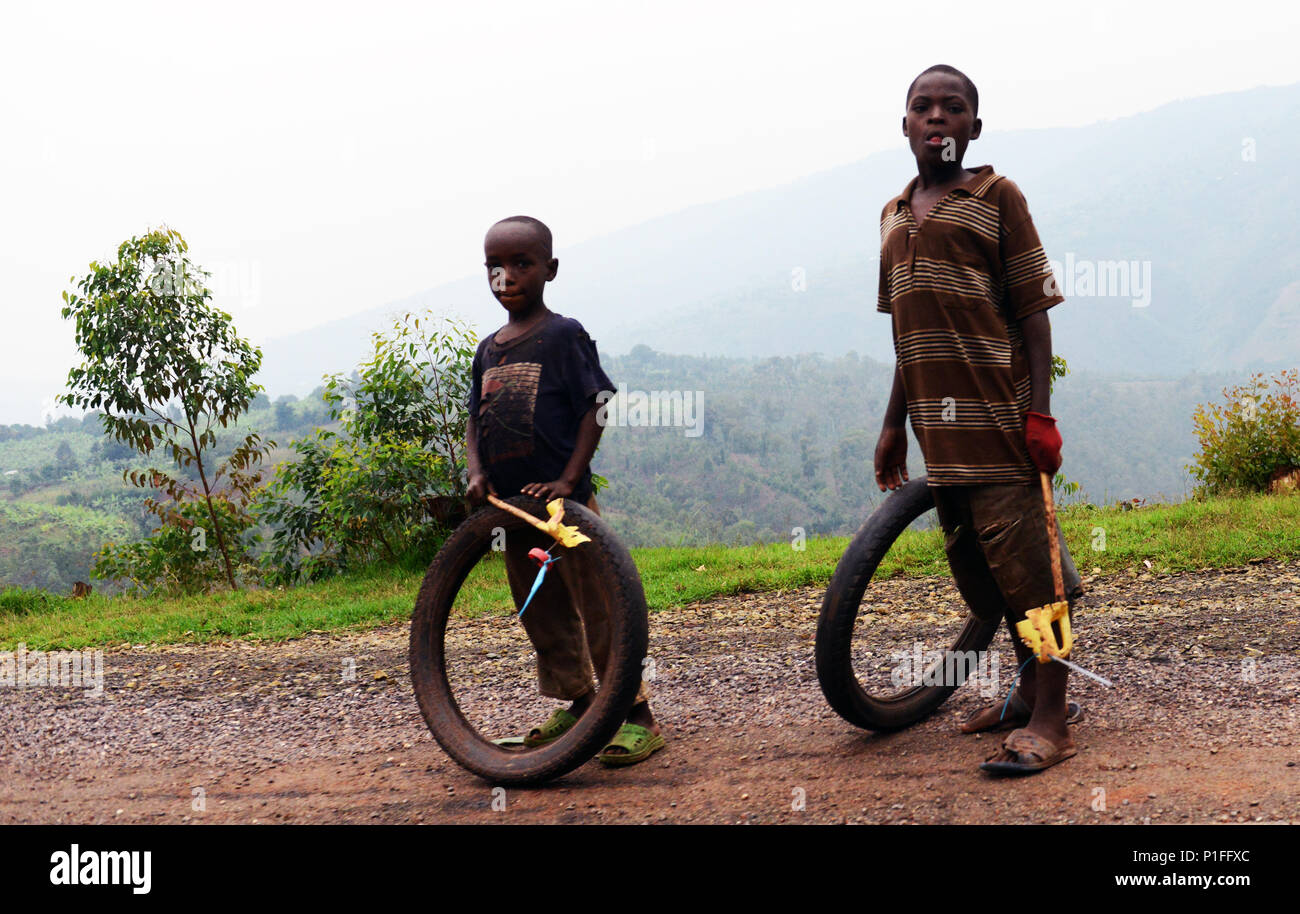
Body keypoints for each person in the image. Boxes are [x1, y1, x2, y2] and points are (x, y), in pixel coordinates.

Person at [873, 66, 1085, 775]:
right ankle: (1026, 693)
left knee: (1033, 575)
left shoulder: (998, 197)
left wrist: (1041, 416)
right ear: (905, 125)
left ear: (974, 128)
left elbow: (1032, 313)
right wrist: (891, 425)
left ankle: (1052, 719)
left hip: (1000, 425)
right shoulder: (894, 215)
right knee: (985, 580)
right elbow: (908, 333)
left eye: (953, 108)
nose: (937, 117)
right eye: (923, 107)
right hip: (939, 439)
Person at [465, 215, 665, 766]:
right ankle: (580, 703)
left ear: (550, 269)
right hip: (512, 510)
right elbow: (473, 422)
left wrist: (569, 479)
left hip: (565, 507)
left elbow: (595, 404)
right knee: (541, 610)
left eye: (522, 264)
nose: (507, 277)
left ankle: (636, 714)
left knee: (599, 603)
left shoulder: (562, 335)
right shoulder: (488, 349)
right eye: (495, 267)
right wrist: (476, 471)